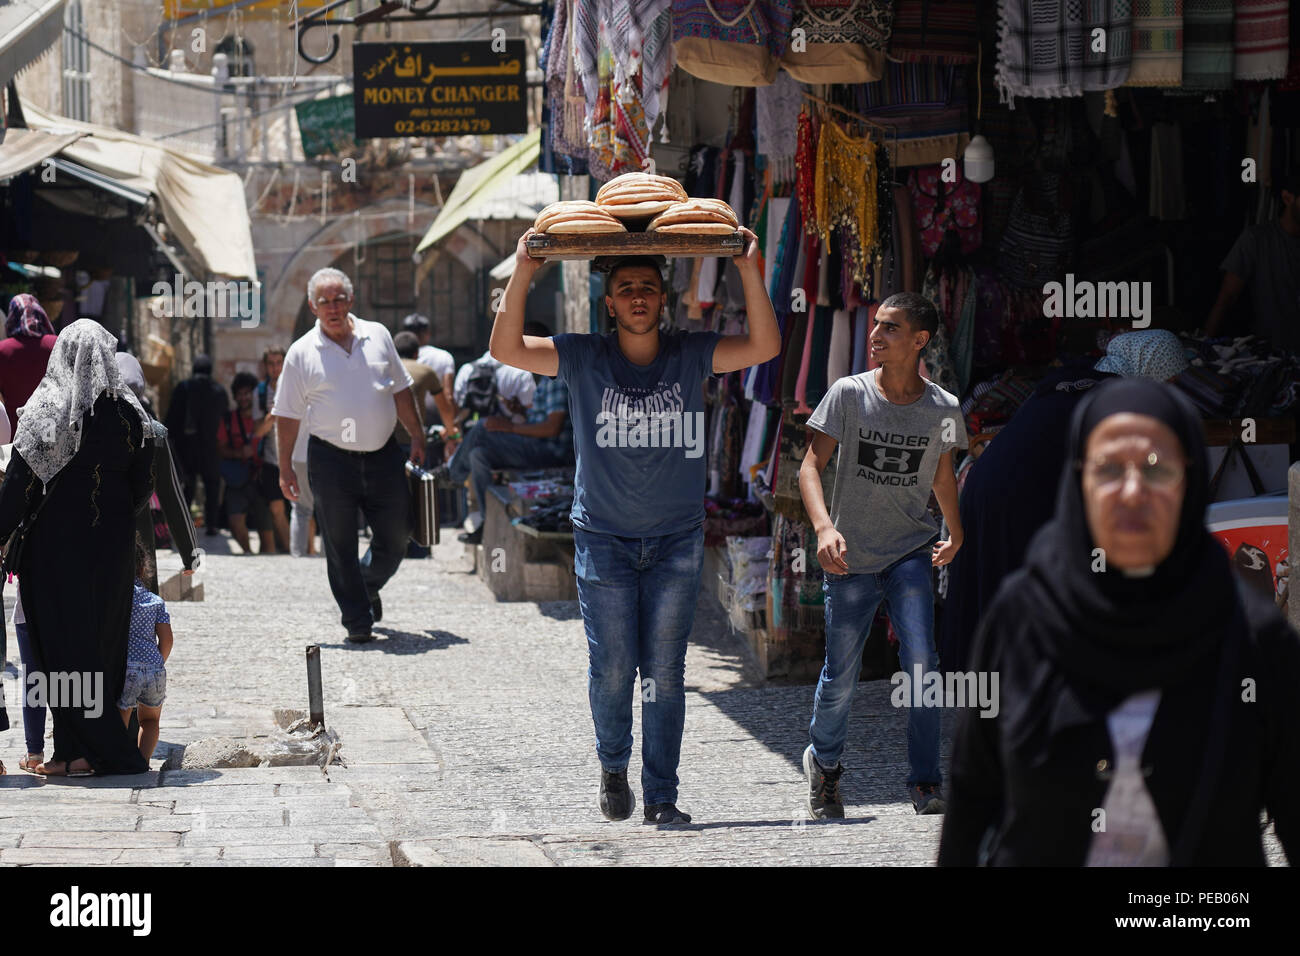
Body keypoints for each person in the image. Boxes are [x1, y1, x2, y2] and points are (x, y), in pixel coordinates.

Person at [939, 377, 1300, 865]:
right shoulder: (1023, 620)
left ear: (1190, 479)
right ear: (1077, 480)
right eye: (1108, 468)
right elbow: (970, 799)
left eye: (1156, 469)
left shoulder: (1253, 636)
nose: (1132, 492)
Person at [490, 228, 781, 825]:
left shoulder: (690, 353)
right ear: (610, 304)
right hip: (603, 540)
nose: (639, 296)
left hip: (676, 539)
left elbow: (764, 347)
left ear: (663, 299)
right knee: (615, 669)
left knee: (667, 675)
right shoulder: (582, 356)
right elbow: (508, 350)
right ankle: (613, 763)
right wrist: (524, 268)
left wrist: (750, 267)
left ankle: (663, 796)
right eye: (627, 289)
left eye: (648, 287)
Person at [798, 292, 967, 819]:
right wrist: (824, 528)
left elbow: (942, 474)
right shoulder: (847, 394)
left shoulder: (943, 408)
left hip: (911, 551)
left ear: (920, 341)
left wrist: (955, 532)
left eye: (890, 328)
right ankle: (825, 768)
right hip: (849, 558)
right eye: (875, 325)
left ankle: (924, 782)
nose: (874, 335)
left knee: (922, 664)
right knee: (841, 674)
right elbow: (809, 467)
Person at [939, 329, 1189, 673]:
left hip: (990, 486)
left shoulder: (1079, 382)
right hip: (1018, 496)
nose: (1173, 394)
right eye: (1169, 382)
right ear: (1150, 370)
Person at [0, 319, 155, 776]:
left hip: (54, 552)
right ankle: (83, 752)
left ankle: (75, 752)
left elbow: (19, 486)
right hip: (111, 548)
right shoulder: (131, 414)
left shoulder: (45, 409)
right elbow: (141, 489)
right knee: (103, 644)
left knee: (60, 649)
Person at [273, 267, 425, 642]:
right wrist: (285, 468)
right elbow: (287, 415)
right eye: (324, 301)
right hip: (331, 460)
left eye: (339, 298)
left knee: (396, 537)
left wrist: (418, 435)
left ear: (351, 300)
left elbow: (401, 391)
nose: (333, 307)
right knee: (338, 544)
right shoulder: (300, 353)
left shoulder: (379, 335)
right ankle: (357, 620)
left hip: (383, 454)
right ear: (313, 306)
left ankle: (366, 584)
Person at [445, 320, 574, 545]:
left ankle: (451, 474)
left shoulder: (557, 376)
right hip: (539, 447)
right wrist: (521, 412)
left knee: (482, 427)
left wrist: (509, 427)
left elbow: (551, 428)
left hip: (552, 452)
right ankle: (486, 523)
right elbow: (542, 420)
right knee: (478, 455)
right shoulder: (544, 378)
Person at [1205, 167, 1300, 352]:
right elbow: (1227, 297)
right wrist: (1204, 345)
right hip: (1272, 355)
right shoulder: (1257, 239)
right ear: (1288, 198)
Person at [118, 534, 173, 762]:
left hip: (126, 667)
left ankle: (120, 759)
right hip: (154, 668)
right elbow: (167, 640)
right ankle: (142, 762)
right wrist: (155, 662)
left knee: (119, 721)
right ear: (143, 568)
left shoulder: (117, 600)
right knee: (150, 722)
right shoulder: (155, 601)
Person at [164, 354, 228, 536]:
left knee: (187, 486)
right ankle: (212, 524)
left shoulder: (183, 388)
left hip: (187, 446)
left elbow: (172, 419)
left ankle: (182, 525)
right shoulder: (219, 391)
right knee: (212, 485)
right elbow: (225, 418)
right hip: (211, 446)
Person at [218, 371, 275, 554]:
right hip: (238, 478)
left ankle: (268, 561)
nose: (244, 398)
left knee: (267, 529)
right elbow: (221, 448)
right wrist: (238, 453)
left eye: (247, 393)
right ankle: (248, 554)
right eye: (240, 394)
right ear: (235, 396)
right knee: (235, 522)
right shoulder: (228, 420)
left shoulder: (264, 419)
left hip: (262, 479)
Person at [250, 346, 291, 552]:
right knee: (276, 508)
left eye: (279, 363)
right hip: (272, 458)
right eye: (271, 364)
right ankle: (291, 550)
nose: (275, 368)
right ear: (265, 367)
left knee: (304, 508)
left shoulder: (295, 386)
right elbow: (258, 431)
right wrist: (275, 412)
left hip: (297, 456)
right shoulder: (261, 392)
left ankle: (304, 549)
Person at [0, 293, 58, 437]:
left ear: (12, 316)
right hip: (50, 430)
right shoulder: (57, 344)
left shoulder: (3, 350)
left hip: (15, 431)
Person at [393, 331, 457, 450]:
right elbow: (444, 407)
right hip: (412, 442)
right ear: (417, 353)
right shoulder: (425, 371)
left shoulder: (384, 370)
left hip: (384, 442)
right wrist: (452, 435)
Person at [402, 313, 456, 413]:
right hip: (438, 418)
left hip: (407, 416)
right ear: (427, 333)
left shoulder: (397, 358)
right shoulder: (444, 357)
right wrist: (451, 425)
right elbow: (448, 396)